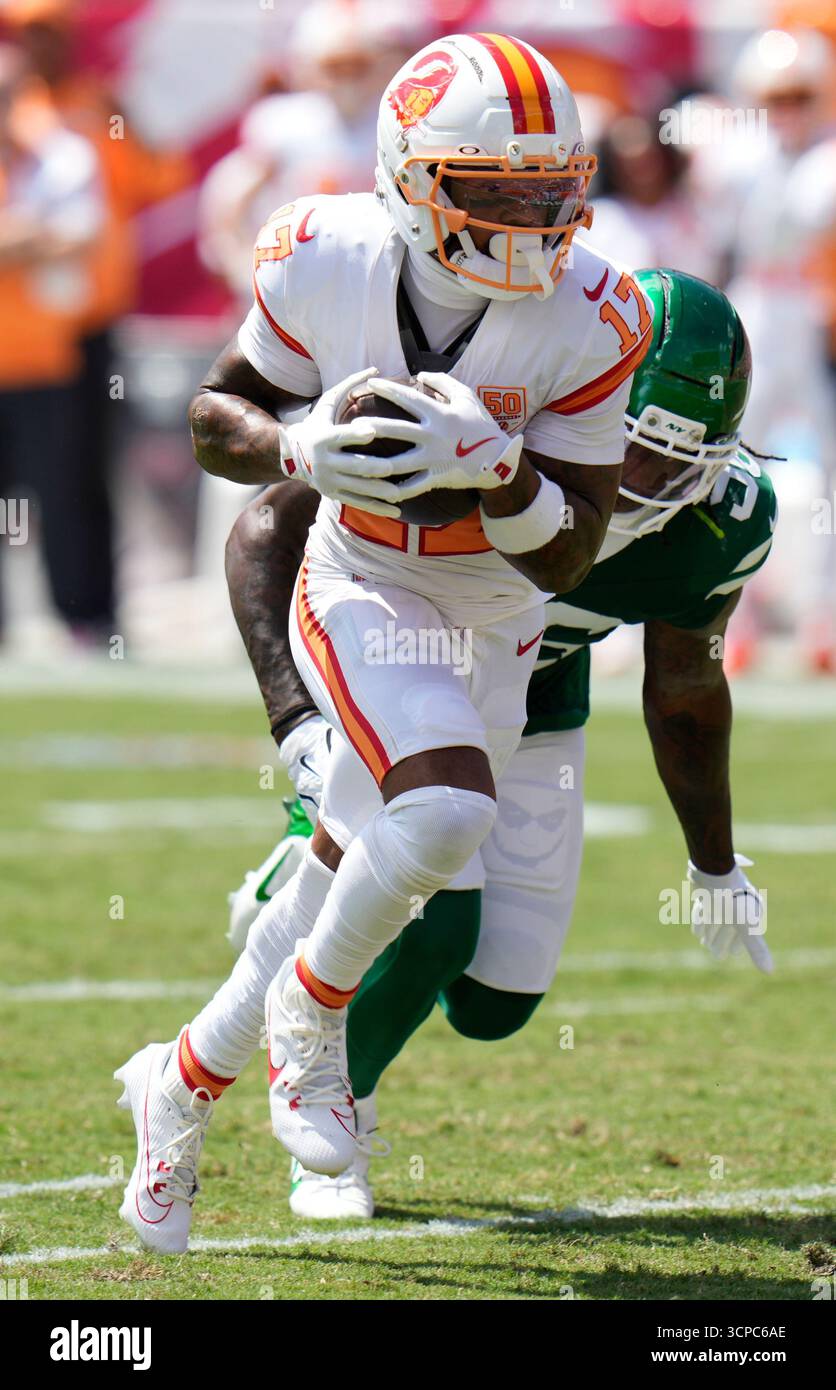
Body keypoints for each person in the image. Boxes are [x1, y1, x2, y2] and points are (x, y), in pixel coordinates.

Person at [114, 30, 653, 1253]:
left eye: (549, 190)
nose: (532, 218)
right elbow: (215, 416)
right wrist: (302, 448)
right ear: (412, 181)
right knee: (448, 812)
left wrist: (499, 470)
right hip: (358, 578)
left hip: (498, 618)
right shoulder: (325, 255)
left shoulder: (596, 313)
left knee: (340, 869)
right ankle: (312, 1028)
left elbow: (564, 552)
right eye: (495, 192)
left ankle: (180, 1086)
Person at [223, 270, 776, 1219]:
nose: (641, 487)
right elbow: (264, 529)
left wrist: (714, 864)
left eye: (672, 468)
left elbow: (684, 688)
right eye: (630, 453)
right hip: (408, 656)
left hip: (541, 694)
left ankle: (307, 871)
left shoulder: (718, 526)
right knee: (438, 918)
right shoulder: (472, 424)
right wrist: (296, 721)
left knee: (497, 1002)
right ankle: (329, 1124)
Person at [0, 39, 104, 639]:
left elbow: (81, 235)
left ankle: (79, 624)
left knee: (61, 495)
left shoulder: (58, 154)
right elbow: (51, 234)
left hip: (41, 357)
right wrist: (31, 237)